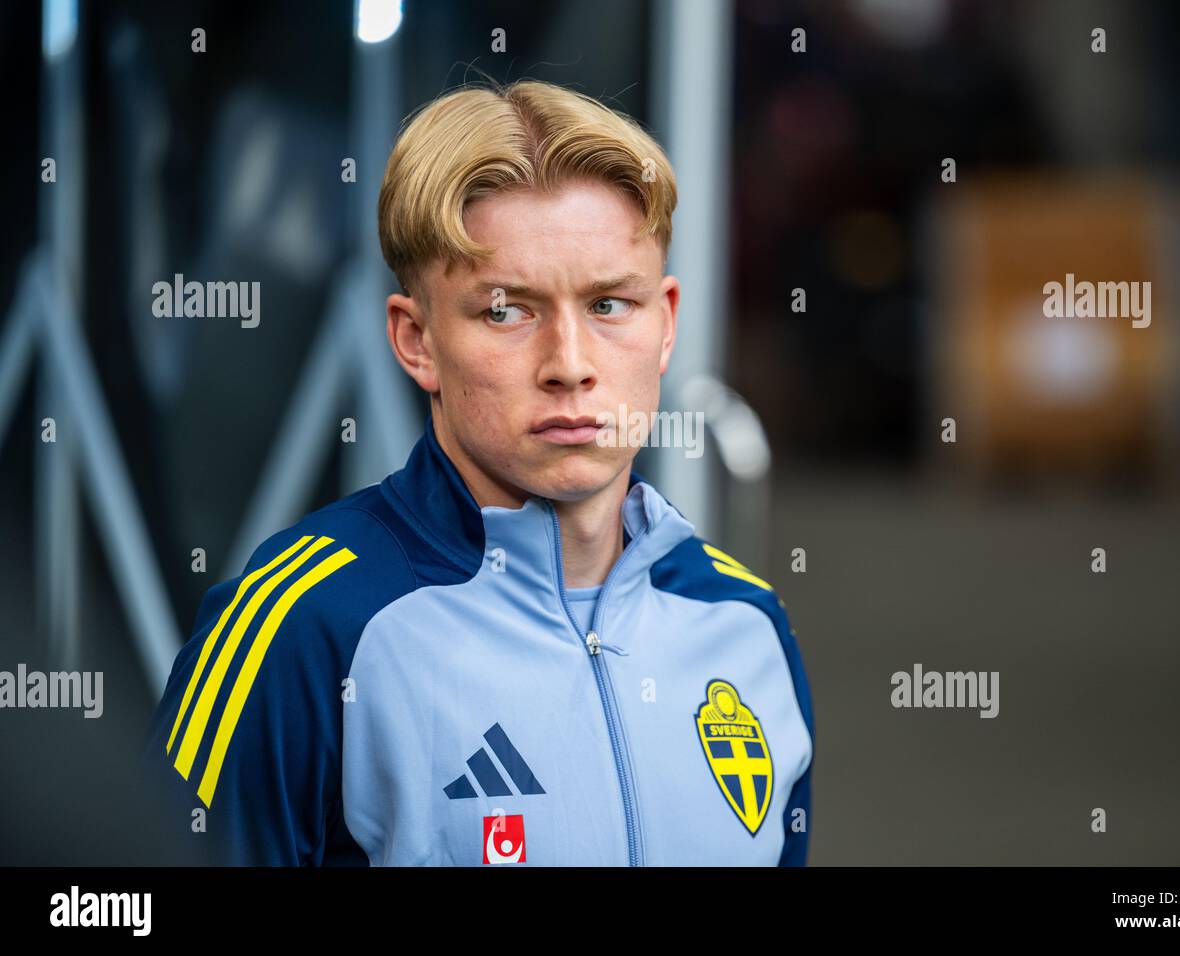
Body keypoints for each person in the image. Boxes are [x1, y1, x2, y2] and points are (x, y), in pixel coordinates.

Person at [143, 78, 814, 866]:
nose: (570, 365)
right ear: (416, 340)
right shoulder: (305, 625)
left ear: (665, 325)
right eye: (506, 310)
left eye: (609, 306)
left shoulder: (744, 623)